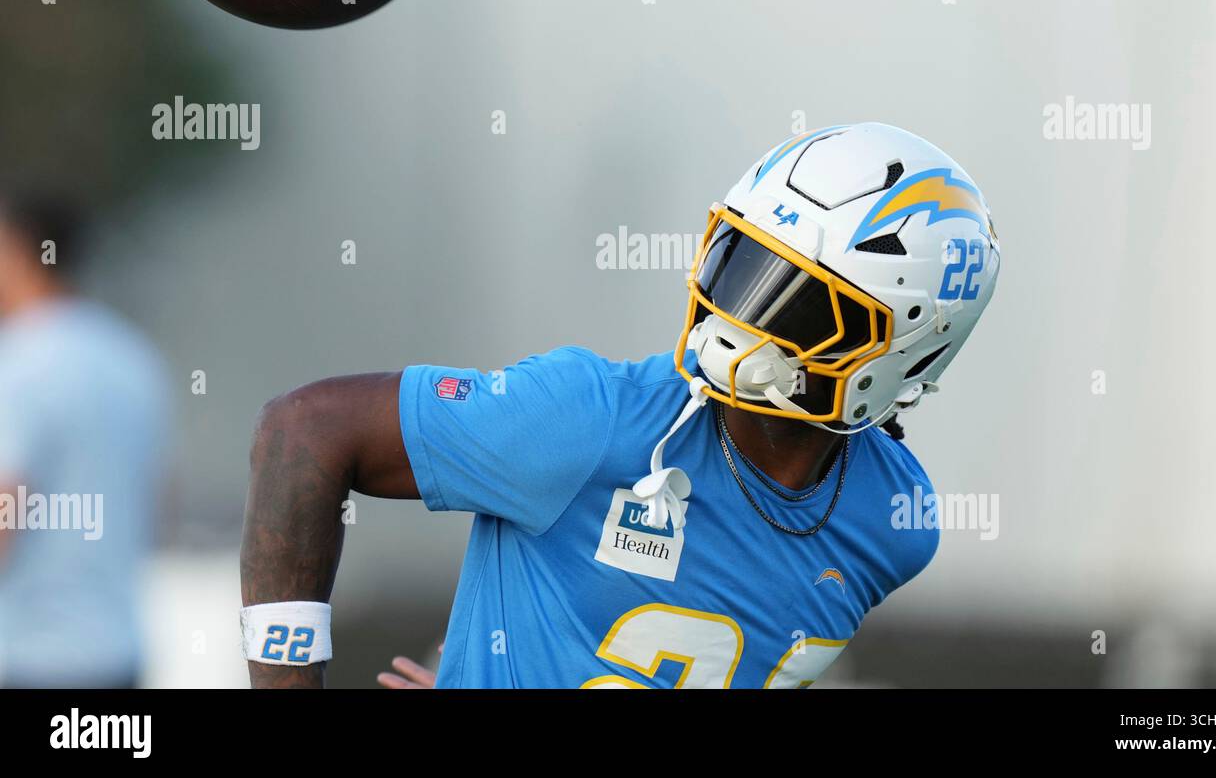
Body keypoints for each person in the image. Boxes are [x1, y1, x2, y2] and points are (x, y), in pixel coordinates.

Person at [240, 122, 1001, 688]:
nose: (742, 317)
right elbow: (303, 431)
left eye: (805, 307)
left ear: (907, 348)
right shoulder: (588, 418)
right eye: (741, 268)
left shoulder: (894, 522)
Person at [0, 189, 169, 688]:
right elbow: (159, 499)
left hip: (28, 657)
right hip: (118, 651)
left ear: (17, 251)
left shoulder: (19, 360)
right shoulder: (134, 356)